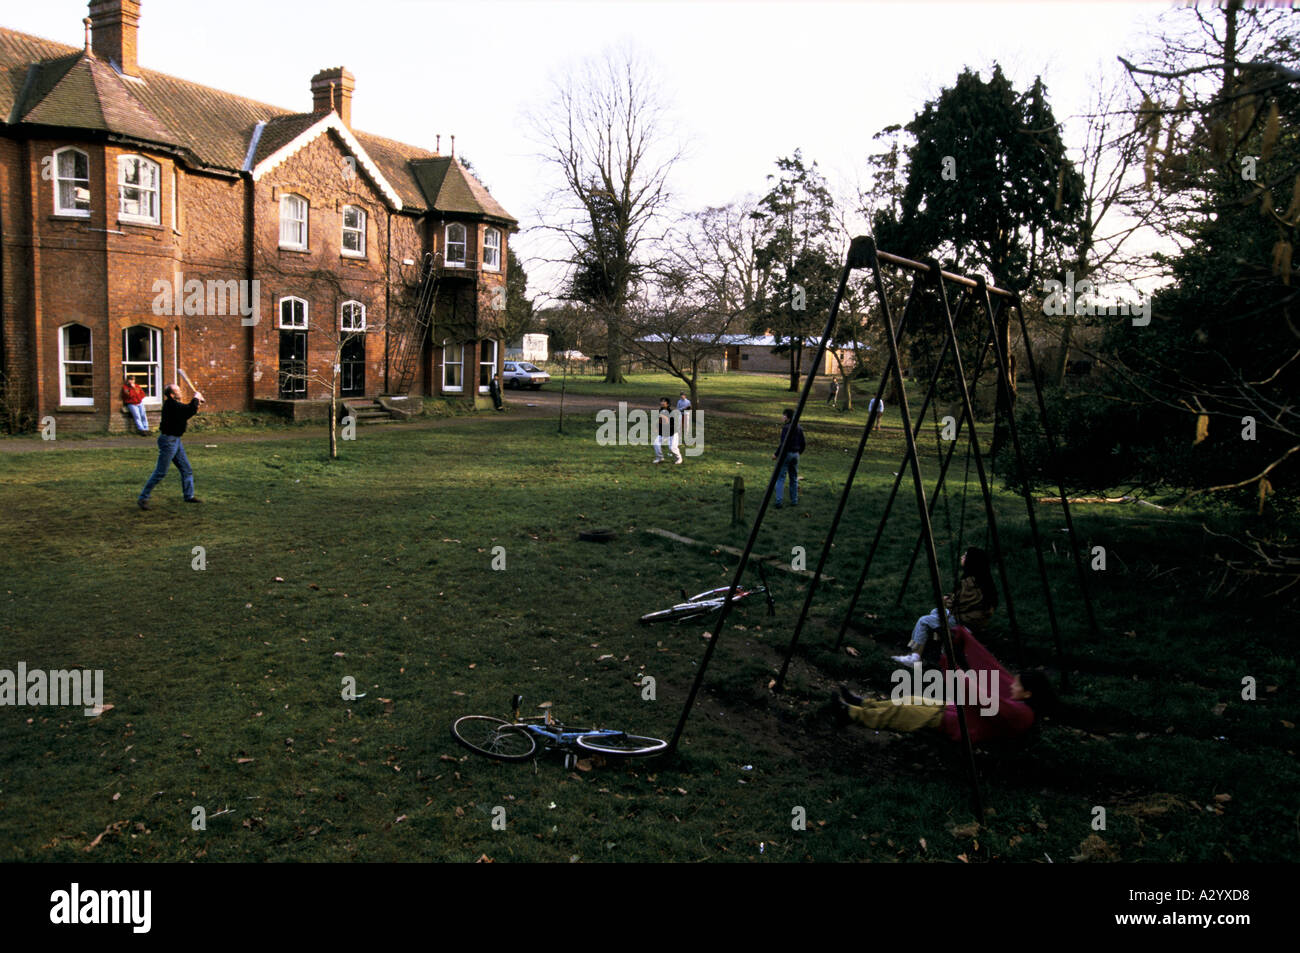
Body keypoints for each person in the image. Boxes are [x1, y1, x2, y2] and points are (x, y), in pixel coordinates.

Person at [833, 626, 1054, 744]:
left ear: (1027, 693)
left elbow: (985, 702)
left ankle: (851, 713)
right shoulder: (1022, 703)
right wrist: (967, 641)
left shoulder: (1021, 714)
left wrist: (957, 674)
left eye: (1018, 685)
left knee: (902, 712)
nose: (1012, 685)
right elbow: (994, 669)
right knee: (909, 700)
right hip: (953, 710)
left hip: (955, 723)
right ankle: (865, 704)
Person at [892, 546, 997, 664]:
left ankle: (915, 656)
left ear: (971, 561)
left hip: (965, 622)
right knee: (935, 612)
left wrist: (947, 600)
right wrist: (950, 598)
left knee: (924, 621)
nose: (962, 556)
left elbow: (958, 603)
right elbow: (965, 601)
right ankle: (942, 648)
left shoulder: (970, 583)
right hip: (972, 620)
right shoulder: (983, 580)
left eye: (965, 555)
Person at [137, 382, 204, 510]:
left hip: (176, 440)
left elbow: (188, 410)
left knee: (186, 469)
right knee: (160, 472)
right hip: (168, 442)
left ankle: (189, 496)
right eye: (178, 391)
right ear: (172, 395)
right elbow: (187, 410)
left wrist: (196, 402)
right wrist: (196, 398)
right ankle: (143, 498)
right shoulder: (171, 405)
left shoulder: (174, 405)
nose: (180, 392)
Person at [773, 408, 805, 508]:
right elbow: (803, 443)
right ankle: (794, 500)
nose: (782, 417)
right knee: (794, 478)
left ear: (788, 417)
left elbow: (783, 443)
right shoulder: (799, 427)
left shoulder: (786, 428)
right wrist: (798, 453)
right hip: (795, 454)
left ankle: (779, 501)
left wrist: (776, 454)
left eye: (784, 415)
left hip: (786, 454)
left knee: (780, 478)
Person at [652, 396, 681, 464]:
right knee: (656, 444)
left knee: (672, 448)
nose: (662, 402)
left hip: (672, 432)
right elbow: (660, 421)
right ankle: (660, 458)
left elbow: (668, 422)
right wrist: (657, 427)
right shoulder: (660, 410)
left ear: (667, 404)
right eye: (661, 401)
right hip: (663, 432)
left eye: (664, 401)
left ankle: (679, 458)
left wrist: (664, 418)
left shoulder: (671, 412)